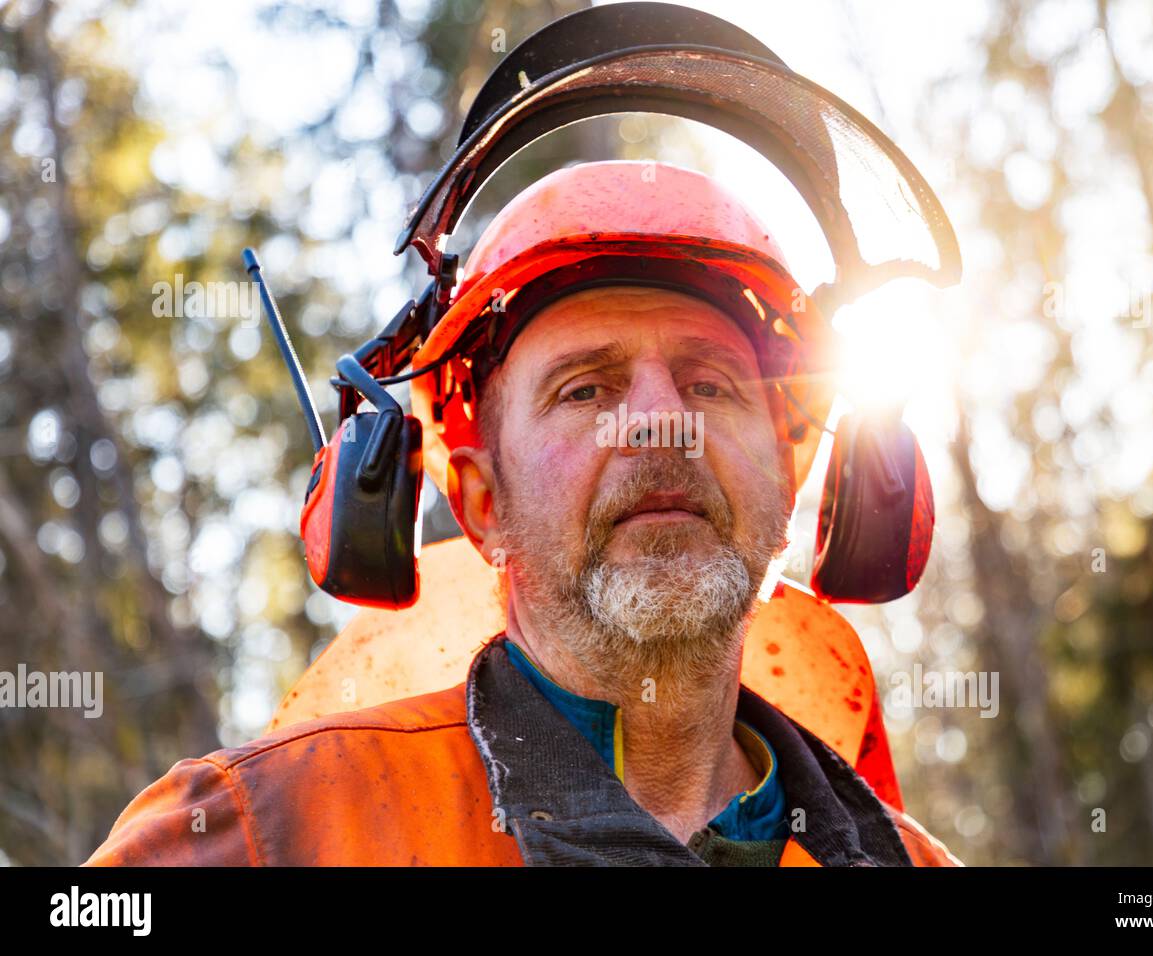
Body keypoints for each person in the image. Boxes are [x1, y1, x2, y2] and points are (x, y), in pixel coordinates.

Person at [86, 161, 960, 867]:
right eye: (586, 388)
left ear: (795, 477)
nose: (662, 421)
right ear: (480, 503)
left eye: (709, 384)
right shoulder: (266, 831)